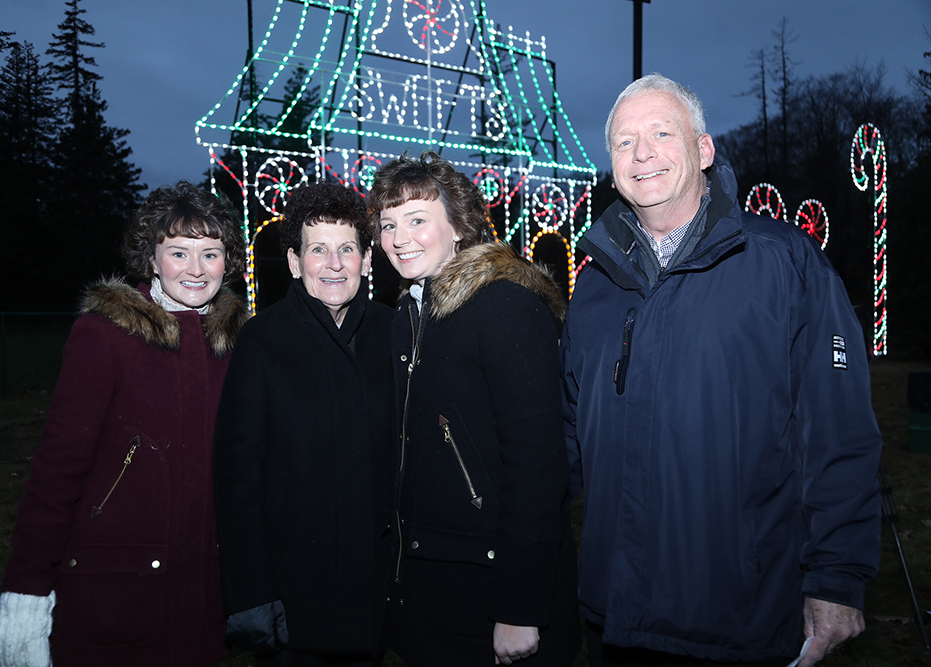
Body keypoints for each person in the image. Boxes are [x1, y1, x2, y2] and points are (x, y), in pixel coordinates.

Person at [561, 73, 882, 667]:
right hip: (616, 615)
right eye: (625, 142)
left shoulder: (784, 262)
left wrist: (837, 577)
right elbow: (567, 435)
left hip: (740, 616)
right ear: (611, 167)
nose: (643, 153)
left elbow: (838, 431)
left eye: (662, 132)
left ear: (704, 149)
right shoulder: (596, 285)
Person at [0, 181, 249, 667]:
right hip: (114, 589)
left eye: (210, 254)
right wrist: (26, 589)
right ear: (151, 259)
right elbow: (57, 470)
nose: (195, 269)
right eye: (178, 252)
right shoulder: (106, 336)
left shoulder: (238, 346)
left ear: (227, 262)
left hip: (207, 592)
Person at [369, 151, 581, 667]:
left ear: (459, 226)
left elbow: (538, 467)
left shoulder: (505, 307)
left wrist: (519, 606)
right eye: (388, 224)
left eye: (418, 220)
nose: (400, 239)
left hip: (494, 597)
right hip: (430, 591)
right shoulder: (406, 317)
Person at [213, 182, 394, 667]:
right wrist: (251, 592)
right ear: (294, 262)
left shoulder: (393, 333)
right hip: (293, 602)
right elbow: (238, 483)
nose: (334, 264)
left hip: (375, 596)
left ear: (367, 260)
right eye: (319, 250)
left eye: (347, 249)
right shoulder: (261, 342)